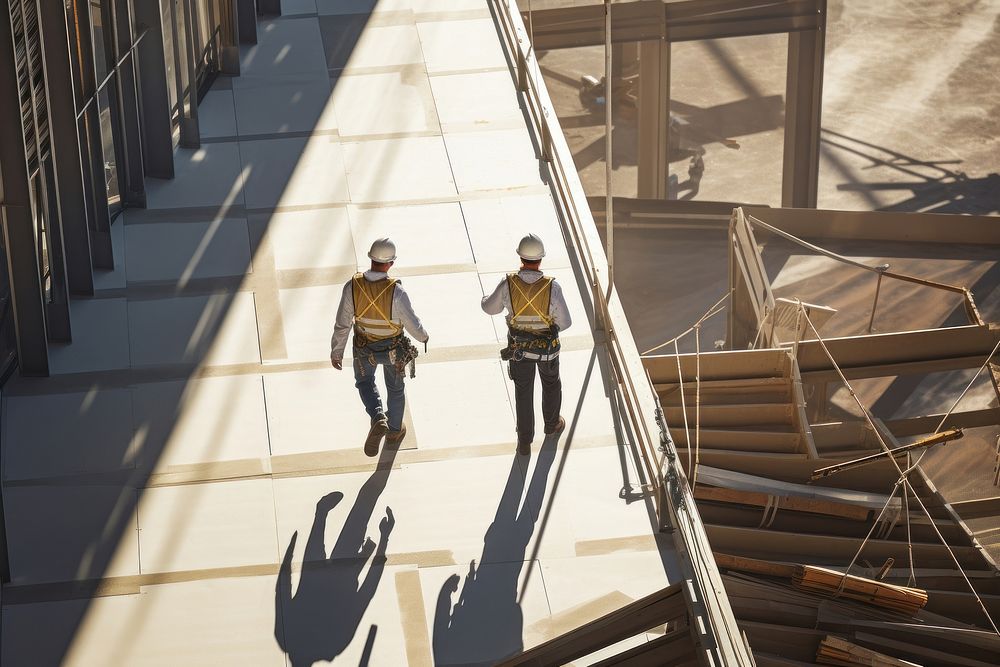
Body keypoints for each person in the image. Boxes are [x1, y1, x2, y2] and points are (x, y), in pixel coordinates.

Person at [331, 238, 429, 456]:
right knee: (395, 388)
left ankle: (377, 417)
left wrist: (337, 351)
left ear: (371, 258)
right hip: (393, 349)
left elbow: (343, 323)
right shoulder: (397, 292)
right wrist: (423, 337)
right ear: (391, 263)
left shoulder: (353, 286)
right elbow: (412, 323)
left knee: (364, 382)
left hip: (363, 347)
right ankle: (394, 431)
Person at [481, 234, 570, 455]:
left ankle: (524, 441)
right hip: (548, 351)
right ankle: (552, 425)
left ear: (521, 257)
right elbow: (566, 322)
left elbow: (489, 309)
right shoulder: (553, 287)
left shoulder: (508, 284)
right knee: (551, 384)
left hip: (519, 351)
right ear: (540, 260)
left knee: (523, 391)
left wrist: (485, 298)